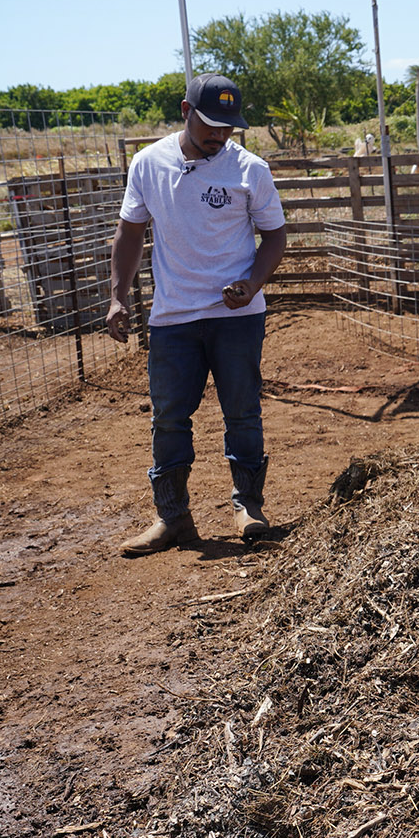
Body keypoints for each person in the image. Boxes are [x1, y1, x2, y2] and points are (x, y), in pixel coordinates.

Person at [107, 73, 289, 557]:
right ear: (186, 111)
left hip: (237, 316)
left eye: (228, 128)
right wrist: (117, 296)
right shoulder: (148, 164)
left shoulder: (251, 170)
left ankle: (248, 507)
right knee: (168, 418)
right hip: (172, 318)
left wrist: (252, 283)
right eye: (210, 124)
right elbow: (129, 233)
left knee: (242, 412)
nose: (219, 135)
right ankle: (171, 518)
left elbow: (274, 237)